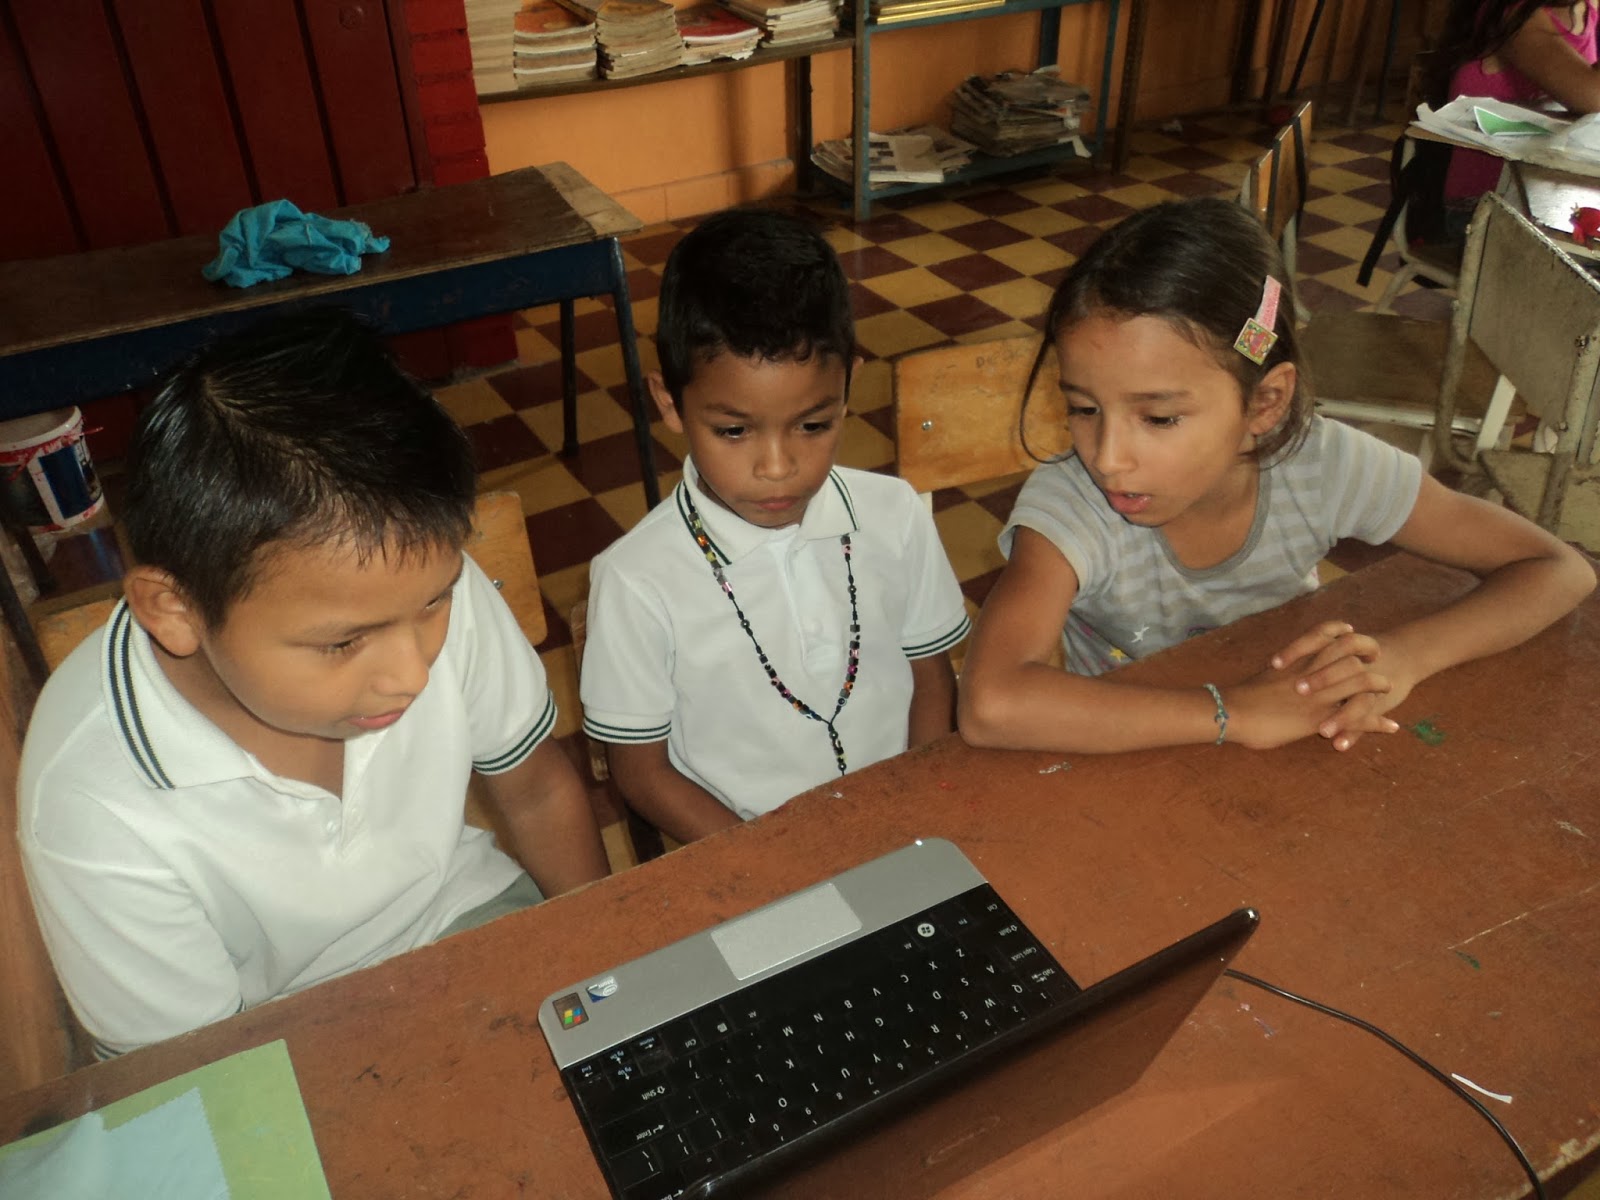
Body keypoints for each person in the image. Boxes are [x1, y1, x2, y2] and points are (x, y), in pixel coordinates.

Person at [17, 310, 609, 1057]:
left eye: (435, 603)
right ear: (175, 611)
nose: (413, 673)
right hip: (269, 1041)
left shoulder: (410, 584)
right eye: (342, 643)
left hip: (462, 918)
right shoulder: (91, 800)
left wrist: (610, 964)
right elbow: (194, 1072)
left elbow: (537, 791)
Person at [958, 197, 1595, 756]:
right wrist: (1234, 714)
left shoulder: (1326, 466)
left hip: (1287, 742)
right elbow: (990, 704)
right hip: (1121, 752)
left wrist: (1402, 658)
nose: (1107, 458)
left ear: (1264, 403)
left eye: (1158, 417)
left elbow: (1558, 570)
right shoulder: (1073, 503)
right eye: (1083, 409)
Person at [580, 208, 969, 843]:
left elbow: (931, 676)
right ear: (670, 403)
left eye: (813, 425)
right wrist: (776, 866)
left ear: (848, 388)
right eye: (734, 431)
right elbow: (642, 773)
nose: (778, 467)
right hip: (751, 854)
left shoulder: (895, 513)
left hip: (911, 822)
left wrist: (919, 809)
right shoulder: (635, 580)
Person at [1429, 1, 1600, 222]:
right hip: (1483, 210)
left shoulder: (1585, 9)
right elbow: (1594, 99)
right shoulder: (1513, 13)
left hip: (1557, 199)